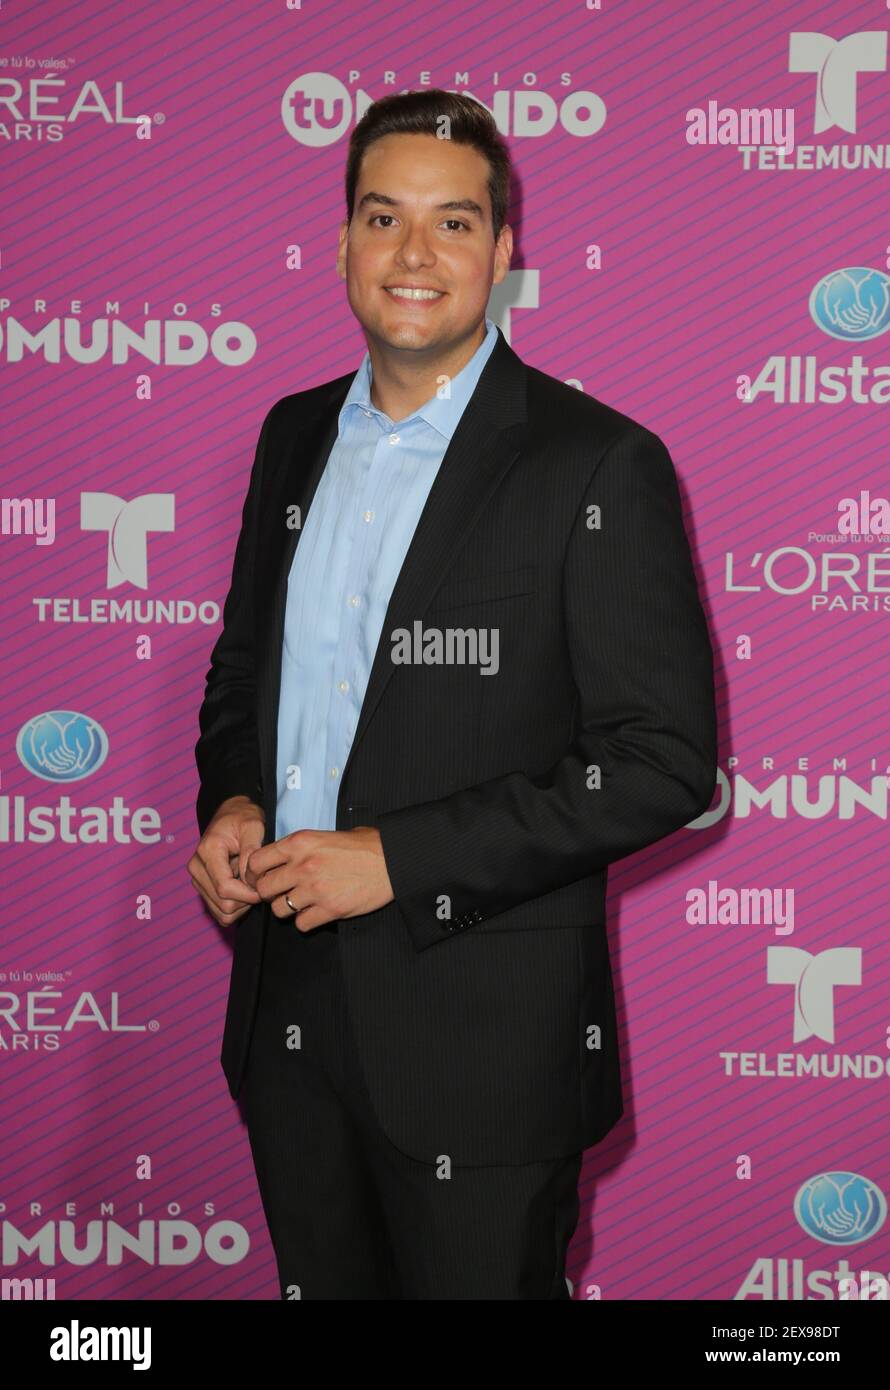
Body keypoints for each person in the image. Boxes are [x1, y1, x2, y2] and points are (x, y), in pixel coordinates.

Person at [188, 89, 717, 1300]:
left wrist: (396, 858)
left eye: (453, 223)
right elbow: (243, 672)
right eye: (383, 218)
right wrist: (232, 799)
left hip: (482, 1047)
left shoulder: (596, 462)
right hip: (288, 1018)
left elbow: (658, 758)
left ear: (502, 252)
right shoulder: (289, 436)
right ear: (340, 243)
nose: (414, 256)